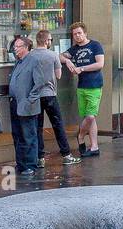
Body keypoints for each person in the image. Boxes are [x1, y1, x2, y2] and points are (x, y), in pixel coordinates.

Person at [33, 29, 78, 166]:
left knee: (37, 126)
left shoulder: (31, 55)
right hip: (50, 94)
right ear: (47, 41)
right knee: (58, 124)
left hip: (35, 95)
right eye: (51, 40)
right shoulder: (53, 55)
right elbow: (58, 75)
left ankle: (39, 158)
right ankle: (66, 154)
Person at [61, 22, 104, 157]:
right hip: (81, 86)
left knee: (91, 116)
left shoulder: (95, 45)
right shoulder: (74, 49)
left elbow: (100, 64)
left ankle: (80, 136)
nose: (77, 36)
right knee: (88, 117)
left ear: (85, 33)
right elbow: (60, 56)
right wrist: (68, 61)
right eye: (75, 34)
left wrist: (82, 68)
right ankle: (94, 146)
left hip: (95, 85)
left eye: (79, 33)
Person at [7, 36, 42, 176]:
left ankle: (30, 165)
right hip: (15, 103)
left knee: (29, 135)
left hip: (27, 104)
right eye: (15, 47)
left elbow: (39, 83)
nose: (15, 49)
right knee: (17, 134)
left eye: (18, 47)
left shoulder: (34, 61)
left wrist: (30, 100)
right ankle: (21, 163)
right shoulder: (19, 62)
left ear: (26, 47)